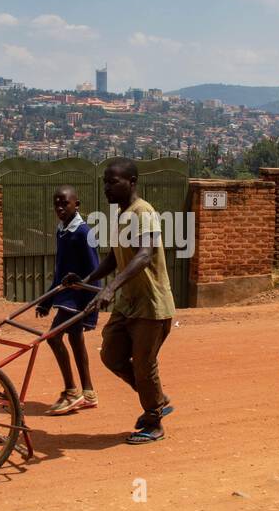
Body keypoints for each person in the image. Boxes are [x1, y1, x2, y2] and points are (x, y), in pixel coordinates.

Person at [73, 158, 175, 444]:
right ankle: (156, 398)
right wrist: (90, 279)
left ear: (131, 182)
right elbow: (113, 256)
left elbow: (144, 255)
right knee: (111, 355)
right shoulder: (122, 214)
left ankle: (154, 422)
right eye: (105, 181)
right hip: (129, 303)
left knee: (144, 363)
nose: (106, 187)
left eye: (112, 181)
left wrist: (110, 288)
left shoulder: (144, 212)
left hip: (151, 305)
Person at [36, 184, 100, 415]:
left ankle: (72, 391)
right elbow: (60, 270)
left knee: (52, 338)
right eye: (56, 203)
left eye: (65, 203)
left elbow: (96, 269)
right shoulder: (62, 230)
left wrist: (94, 300)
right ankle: (89, 392)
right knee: (75, 340)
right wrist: (46, 299)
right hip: (66, 296)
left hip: (80, 297)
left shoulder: (84, 233)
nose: (60, 207)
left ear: (77, 204)